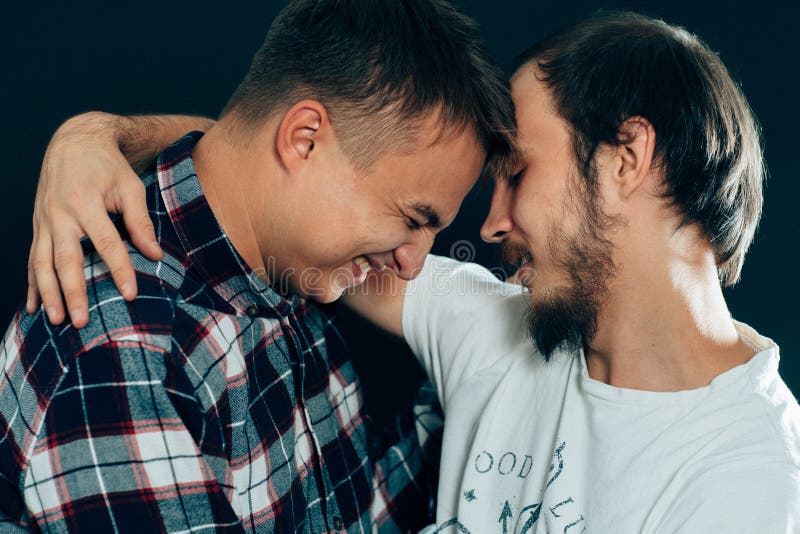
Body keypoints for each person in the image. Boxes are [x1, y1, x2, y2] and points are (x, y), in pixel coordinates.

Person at [24, 10, 800, 533]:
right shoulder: (489, 323)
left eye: (518, 174)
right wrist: (97, 137)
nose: (488, 225)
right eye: (425, 214)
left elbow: (291, 167)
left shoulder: (750, 482)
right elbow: (263, 184)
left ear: (626, 158)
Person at [0, 0, 518, 531]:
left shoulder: (286, 268)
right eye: (413, 217)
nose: (411, 264)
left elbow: (351, 513)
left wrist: (501, 393)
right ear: (304, 140)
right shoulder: (123, 351)